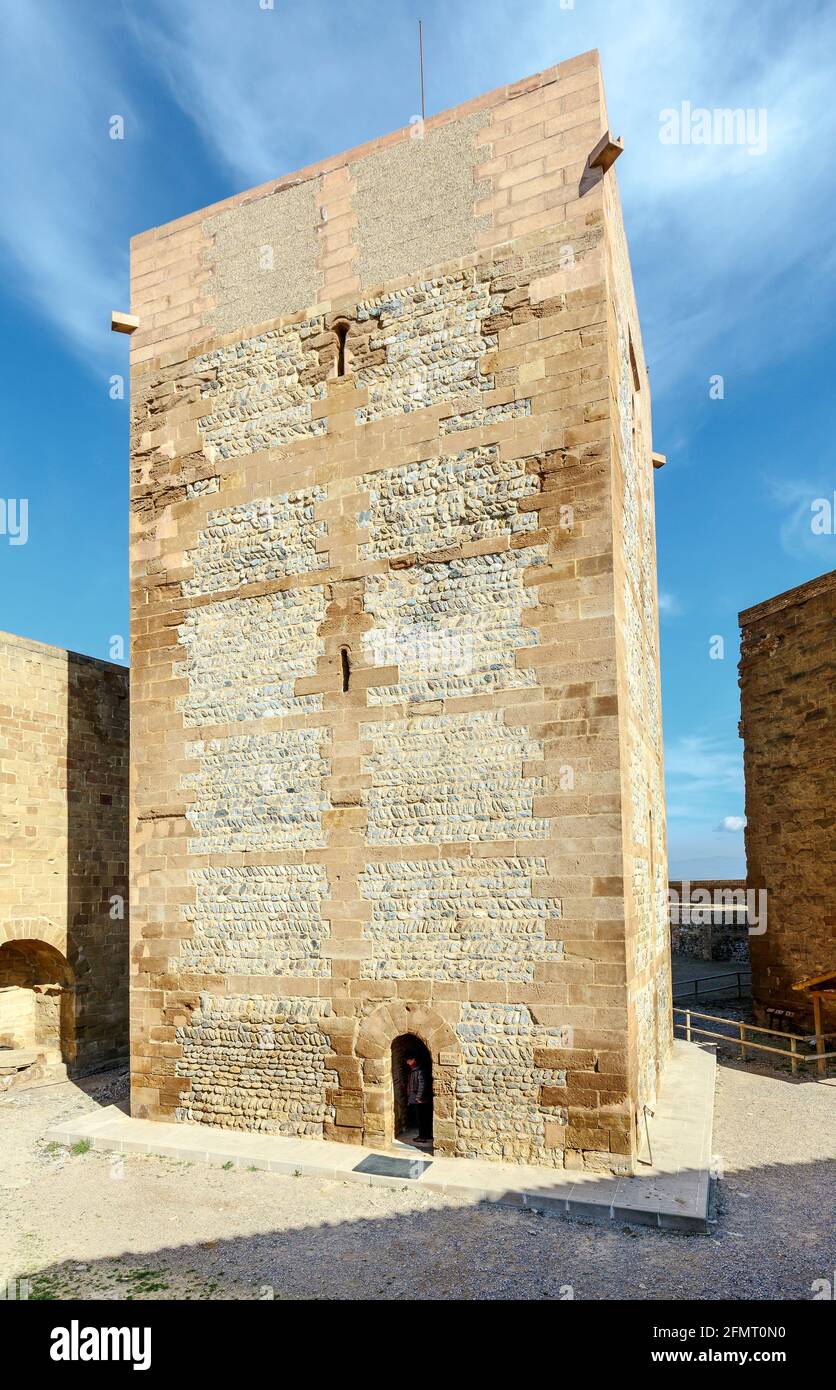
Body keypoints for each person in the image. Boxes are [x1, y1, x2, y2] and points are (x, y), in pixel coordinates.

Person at [404, 1052, 432, 1144]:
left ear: (414, 1060)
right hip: (418, 1099)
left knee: (421, 1118)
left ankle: (422, 1137)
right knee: (424, 1117)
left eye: (409, 1060)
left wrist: (418, 1098)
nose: (407, 1063)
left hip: (420, 1100)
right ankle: (426, 1135)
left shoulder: (420, 1071)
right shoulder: (415, 1070)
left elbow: (422, 1085)